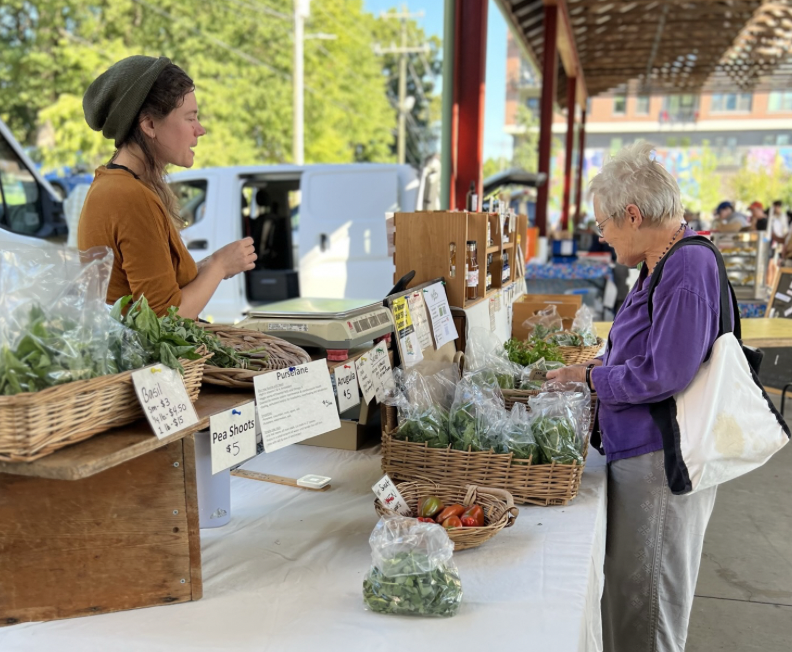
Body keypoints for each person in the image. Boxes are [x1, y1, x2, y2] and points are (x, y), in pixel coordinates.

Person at [547, 142, 720, 652]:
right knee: (631, 596)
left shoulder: (686, 268)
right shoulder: (661, 262)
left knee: (647, 607)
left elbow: (665, 373)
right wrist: (593, 366)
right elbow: (645, 352)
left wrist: (589, 380)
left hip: (659, 460)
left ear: (633, 213)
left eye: (603, 224)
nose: (600, 236)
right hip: (641, 454)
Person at [78, 56, 256, 318]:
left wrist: (213, 265)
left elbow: (155, 290)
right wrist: (218, 266)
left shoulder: (113, 185)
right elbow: (164, 319)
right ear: (149, 124)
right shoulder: (130, 197)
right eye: (190, 118)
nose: (200, 130)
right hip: (144, 360)